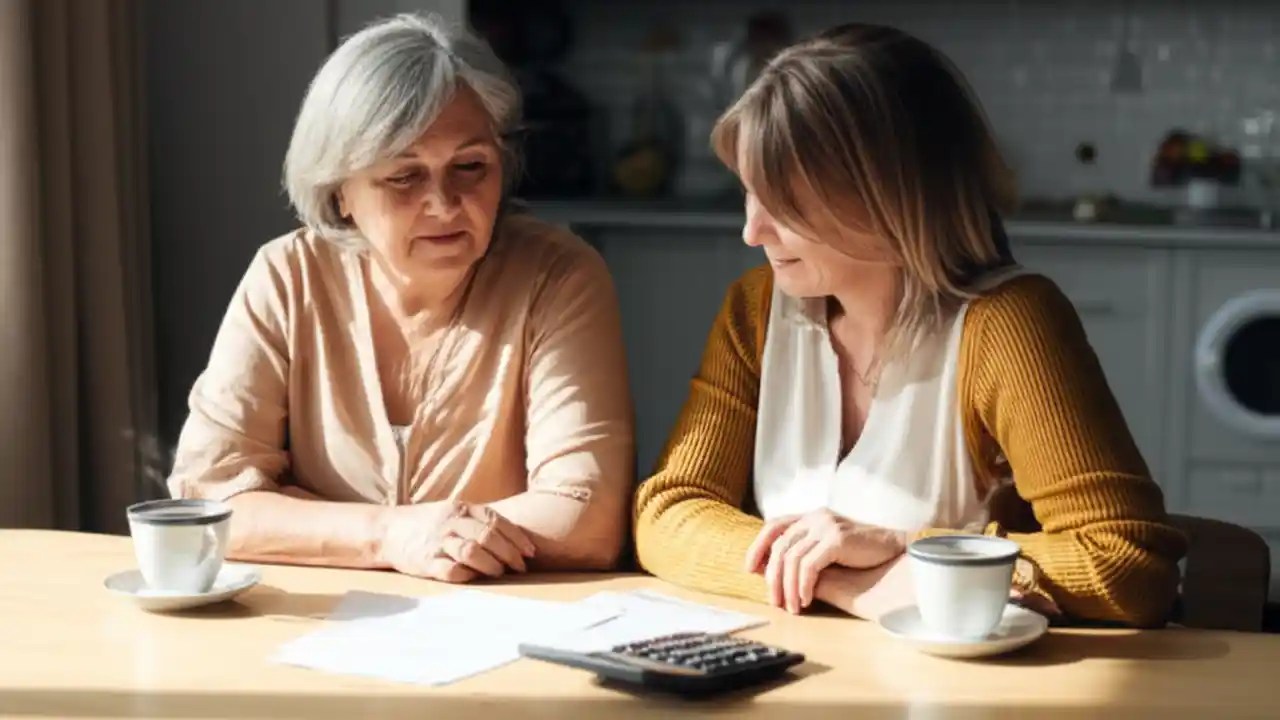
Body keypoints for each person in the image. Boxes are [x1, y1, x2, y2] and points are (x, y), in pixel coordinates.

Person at [633, 23, 1186, 627]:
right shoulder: (755, 312)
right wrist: (852, 588)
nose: (753, 231)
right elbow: (669, 511)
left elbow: (1129, 565)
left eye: (784, 200)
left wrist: (910, 548)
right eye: (748, 191)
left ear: (887, 195)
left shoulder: (1008, 326)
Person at [167, 13, 633, 583]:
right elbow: (210, 504)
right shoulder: (287, 276)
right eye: (404, 177)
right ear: (340, 192)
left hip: (500, 626)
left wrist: (307, 520)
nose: (444, 203)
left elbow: (584, 519)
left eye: (470, 167)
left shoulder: (558, 276)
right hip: (320, 627)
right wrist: (391, 536)